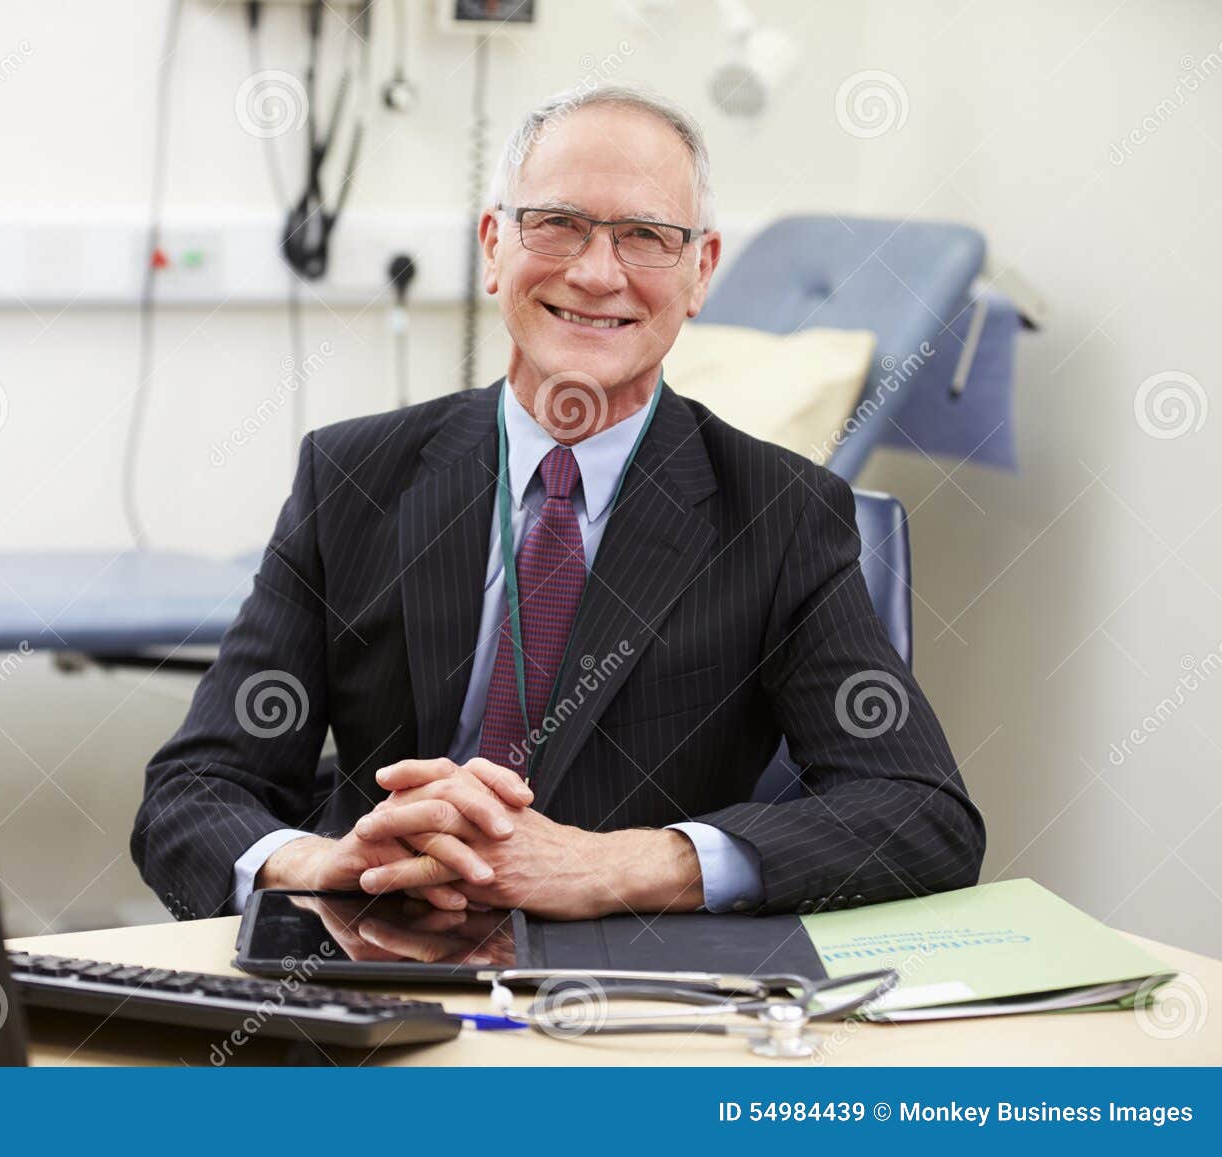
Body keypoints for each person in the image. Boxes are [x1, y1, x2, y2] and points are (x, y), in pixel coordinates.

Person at [132, 84, 984, 926]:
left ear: (700, 272)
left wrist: (622, 864)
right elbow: (193, 792)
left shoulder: (781, 512)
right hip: (370, 967)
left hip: (631, 999)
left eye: (647, 236)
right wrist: (325, 862)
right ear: (495, 244)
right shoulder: (352, 476)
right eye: (557, 223)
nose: (596, 271)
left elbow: (921, 812)